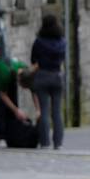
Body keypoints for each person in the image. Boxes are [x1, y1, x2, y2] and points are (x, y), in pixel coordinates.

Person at [30, 14, 67, 149]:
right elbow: (63, 58)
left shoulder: (39, 41)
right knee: (57, 112)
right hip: (57, 76)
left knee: (44, 111)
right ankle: (58, 143)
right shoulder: (62, 42)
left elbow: (33, 60)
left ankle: (45, 142)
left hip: (42, 76)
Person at [0, 54, 32, 145]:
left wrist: (38, 109)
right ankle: (1, 137)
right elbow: (3, 95)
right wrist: (16, 110)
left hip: (10, 74)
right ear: (19, 80)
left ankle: (12, 133)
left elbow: (33, 89)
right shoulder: (4, 75)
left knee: (14, 102)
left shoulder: (25, 69)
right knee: (0, 105)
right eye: (22, 86)